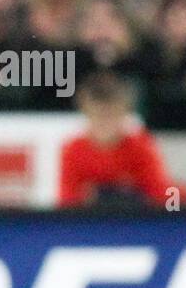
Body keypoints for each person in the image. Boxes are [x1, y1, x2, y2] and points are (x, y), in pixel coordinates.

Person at [59, 70, 179, 207]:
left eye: (112, 115)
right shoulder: (73, 151)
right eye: (99, 116)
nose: (105, 122)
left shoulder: (140, 148)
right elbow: (67, 203)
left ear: (124, 114)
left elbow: (162, 193)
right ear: (86, 113)